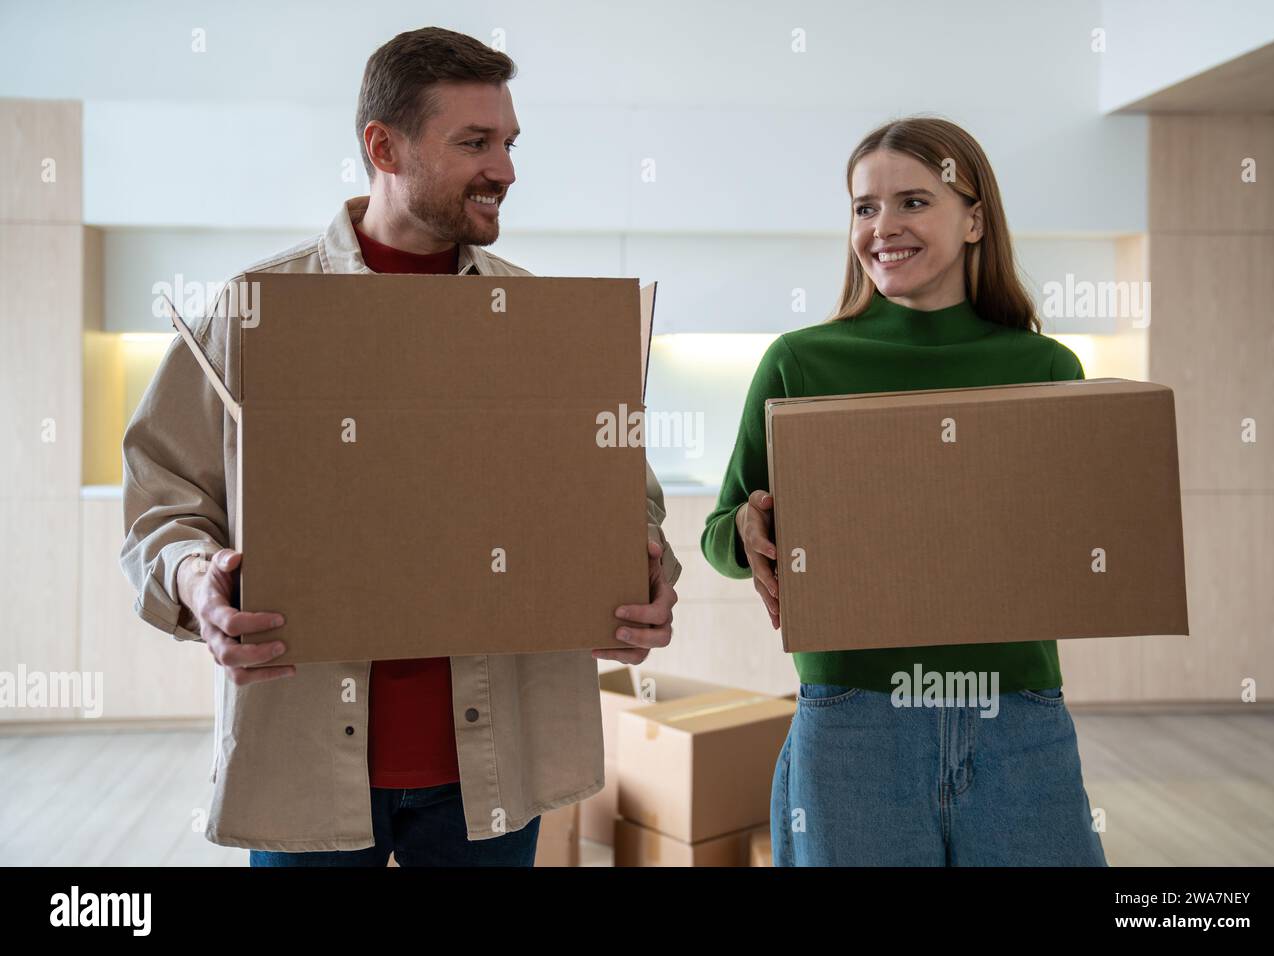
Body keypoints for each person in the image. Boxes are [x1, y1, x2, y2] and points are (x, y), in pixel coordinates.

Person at [121, 26, 680, 867]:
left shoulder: (544, 325)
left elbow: (622, 499)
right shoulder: (255, 313)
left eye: (509, 143)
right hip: (304, 760)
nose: (507, 169)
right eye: (475, 143)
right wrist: (196, 582)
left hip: (493, 770)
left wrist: (644, 569)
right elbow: (161, 501)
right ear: (383, 146)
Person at [700, 116, 1107, 867]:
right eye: (864, 207)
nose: (883, 226)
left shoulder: (1047, 367)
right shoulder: (800, 362)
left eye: (913, 202)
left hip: (1014, 711)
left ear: (974, 218)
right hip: (856, 718)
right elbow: (719, 533)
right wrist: (746, 532)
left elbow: (1084, 549)